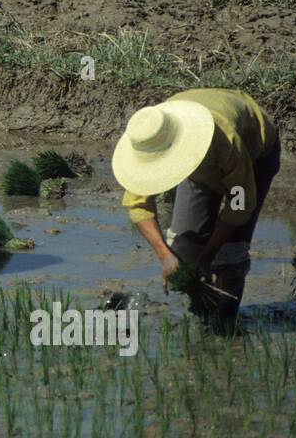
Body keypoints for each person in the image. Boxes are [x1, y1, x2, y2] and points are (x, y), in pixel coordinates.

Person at [112, 88, 280, 330]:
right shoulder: (151, 136)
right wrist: (165, 255)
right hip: (199, 167)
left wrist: (208, 256)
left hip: (254, 156)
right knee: (183, 244)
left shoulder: (225, 138)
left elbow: (238, 207)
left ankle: (225, 323)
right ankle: (202, 314)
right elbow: (137, 204)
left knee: (231, 252)